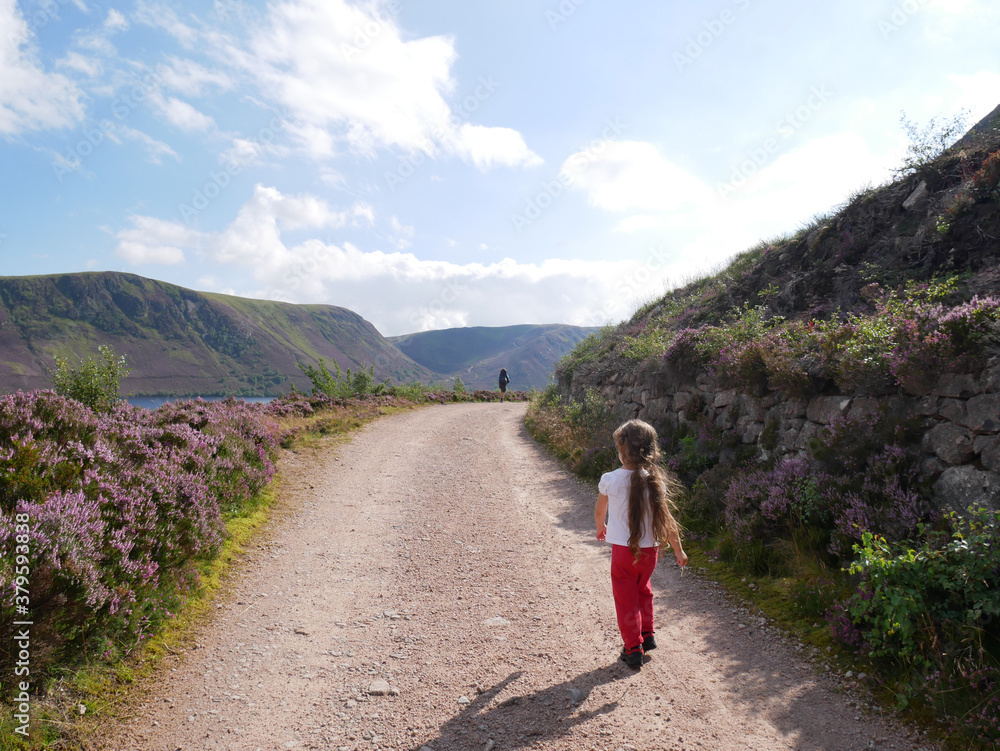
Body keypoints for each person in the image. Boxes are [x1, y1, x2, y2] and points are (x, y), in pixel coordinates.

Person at [594, 419, 687, 669]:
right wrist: (679, 550)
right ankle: (647, 634)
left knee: (626, 598)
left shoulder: (610, 480)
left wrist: (601, 527)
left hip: (624, 554)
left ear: (622, 452)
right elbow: (668, 521)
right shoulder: (656, 482)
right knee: (643, 589)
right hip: (650, 553)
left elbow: (600, 510)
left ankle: (632, 648)